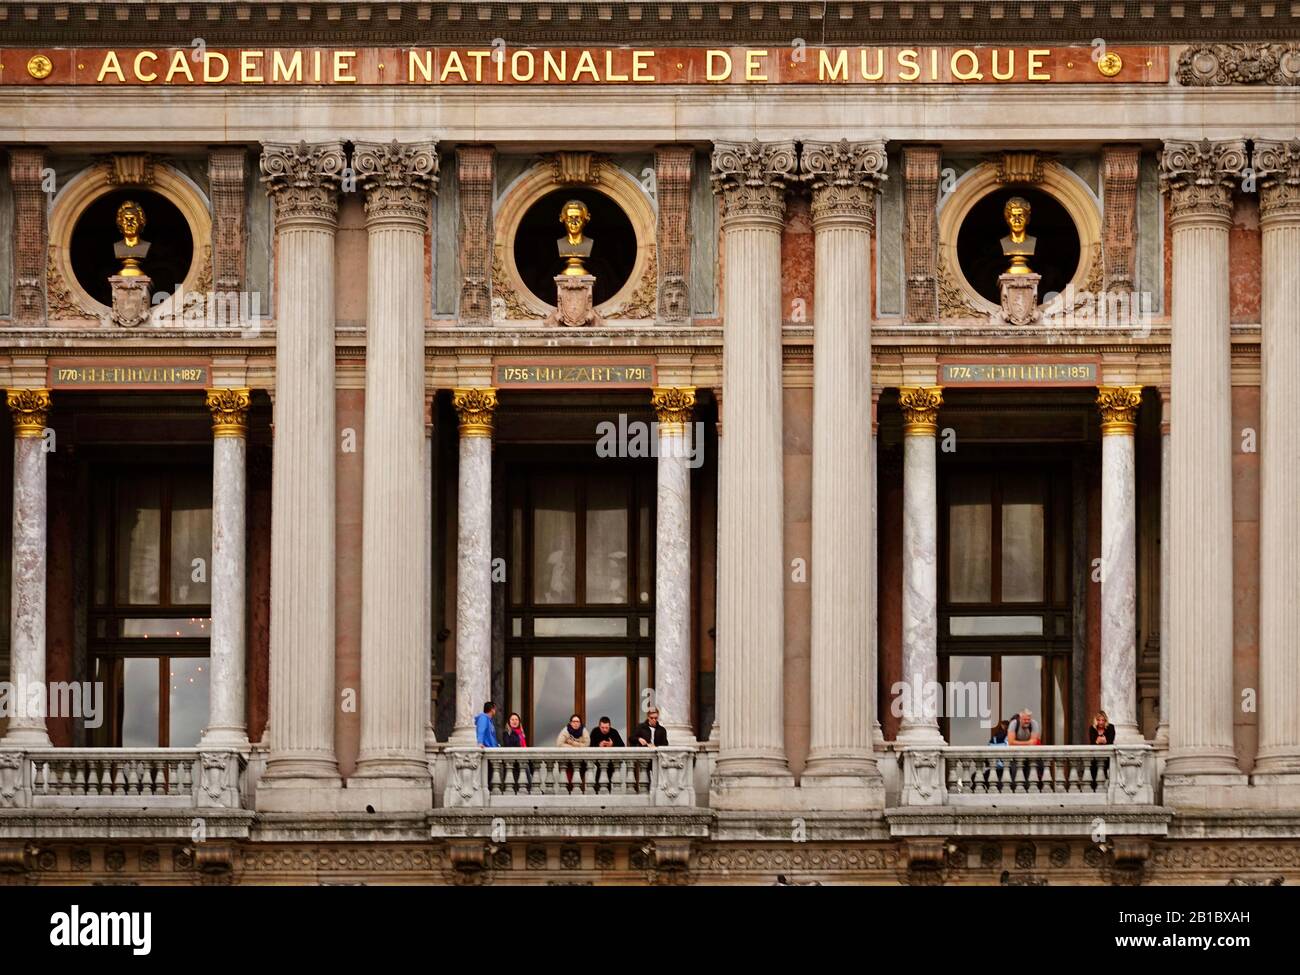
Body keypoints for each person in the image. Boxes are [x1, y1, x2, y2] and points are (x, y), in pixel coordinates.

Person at [631, 708, 668, 792]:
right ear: (648, 717)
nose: (654, 720)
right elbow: (631, 738)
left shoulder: (662, 730)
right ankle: (645, 794)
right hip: (645, 757)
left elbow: (665, 744)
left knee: (658, 779)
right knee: (645, 779)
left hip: (657, 757)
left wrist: (655, 746)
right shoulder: (641, 727)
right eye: (652, 718)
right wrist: (639, 739)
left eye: (656, 718)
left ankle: (656, 795)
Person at [1006, 708, 1043, 790]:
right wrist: (1028, 743)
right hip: (1015, 756)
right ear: (1020, 718)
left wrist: (1018, 743)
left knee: (1030, 780)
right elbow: (1011, 743)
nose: (1027, 721)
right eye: (1025, 719)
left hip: (1030, 756)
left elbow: (1033, 742)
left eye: (1028, 719)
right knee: (1015, 779)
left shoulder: (1034, 724)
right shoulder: (1014, 724)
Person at [588, 716, 625, 793]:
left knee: (607, 782)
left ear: (609, 726)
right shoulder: (595, 731)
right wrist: (599, 746)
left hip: (611, 762)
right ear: (599, 726)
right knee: (599, 781)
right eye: (602, 727)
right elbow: (589, 746)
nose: (604, 729)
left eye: (606, 727)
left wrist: (612, 745)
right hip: (599, 762)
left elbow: (622, 746)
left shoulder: (614, 732)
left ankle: (606, 797)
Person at [557, 713, 589, 791]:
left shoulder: (584, 731)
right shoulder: (565, 731)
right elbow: (559, 744)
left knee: (577, 781)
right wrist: (575, 747)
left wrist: (572, 742)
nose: (575, 723)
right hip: (567, 760)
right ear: (570, 722)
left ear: (580, 723)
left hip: (581, 761)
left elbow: (586, 744)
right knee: (568, 781)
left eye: (577, 721)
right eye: (574, 721)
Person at [1085, 710, 1115, 790]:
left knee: (1106, 772)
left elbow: (1110, 741)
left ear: (1106, 721)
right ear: (1096, 720)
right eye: (1098, 720)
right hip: (1095, 756)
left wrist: (1104, 741)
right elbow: (1092, 742)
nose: (1101, 722)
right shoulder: (1092, 728)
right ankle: (1095, 789)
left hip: (1107, 757)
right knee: (1093, 772)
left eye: (1103, 720)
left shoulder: (1111, 727)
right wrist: (1097, 741)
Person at [501, 712, 529, 793]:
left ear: (519, 722)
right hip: (513, 762)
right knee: (514, 784)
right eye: (512, 719)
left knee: (527, 781)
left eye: (516, 719)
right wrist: (513, 733)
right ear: (509, 722)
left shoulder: (521, 733)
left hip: (524, 759)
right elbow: (508, 744)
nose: (514, 721)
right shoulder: (507, 733)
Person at [475, 701, 498, 790]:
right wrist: (480, 742)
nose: (495, 710)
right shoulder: (483, 718)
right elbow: (481, 730)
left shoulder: (489, 720)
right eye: (494, 708)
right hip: (486, 750)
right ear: (492, 709)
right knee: (487, 774)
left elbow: (491, 736)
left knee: (489, 774)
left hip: (491, 750)